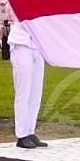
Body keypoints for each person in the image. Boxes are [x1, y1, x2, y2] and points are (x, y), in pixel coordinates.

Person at [9, 19, 48, 149]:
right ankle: (21, 135)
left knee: (36, 92)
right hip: (21, 43)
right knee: (23, 92)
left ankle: (30, 131)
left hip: (37, 44)